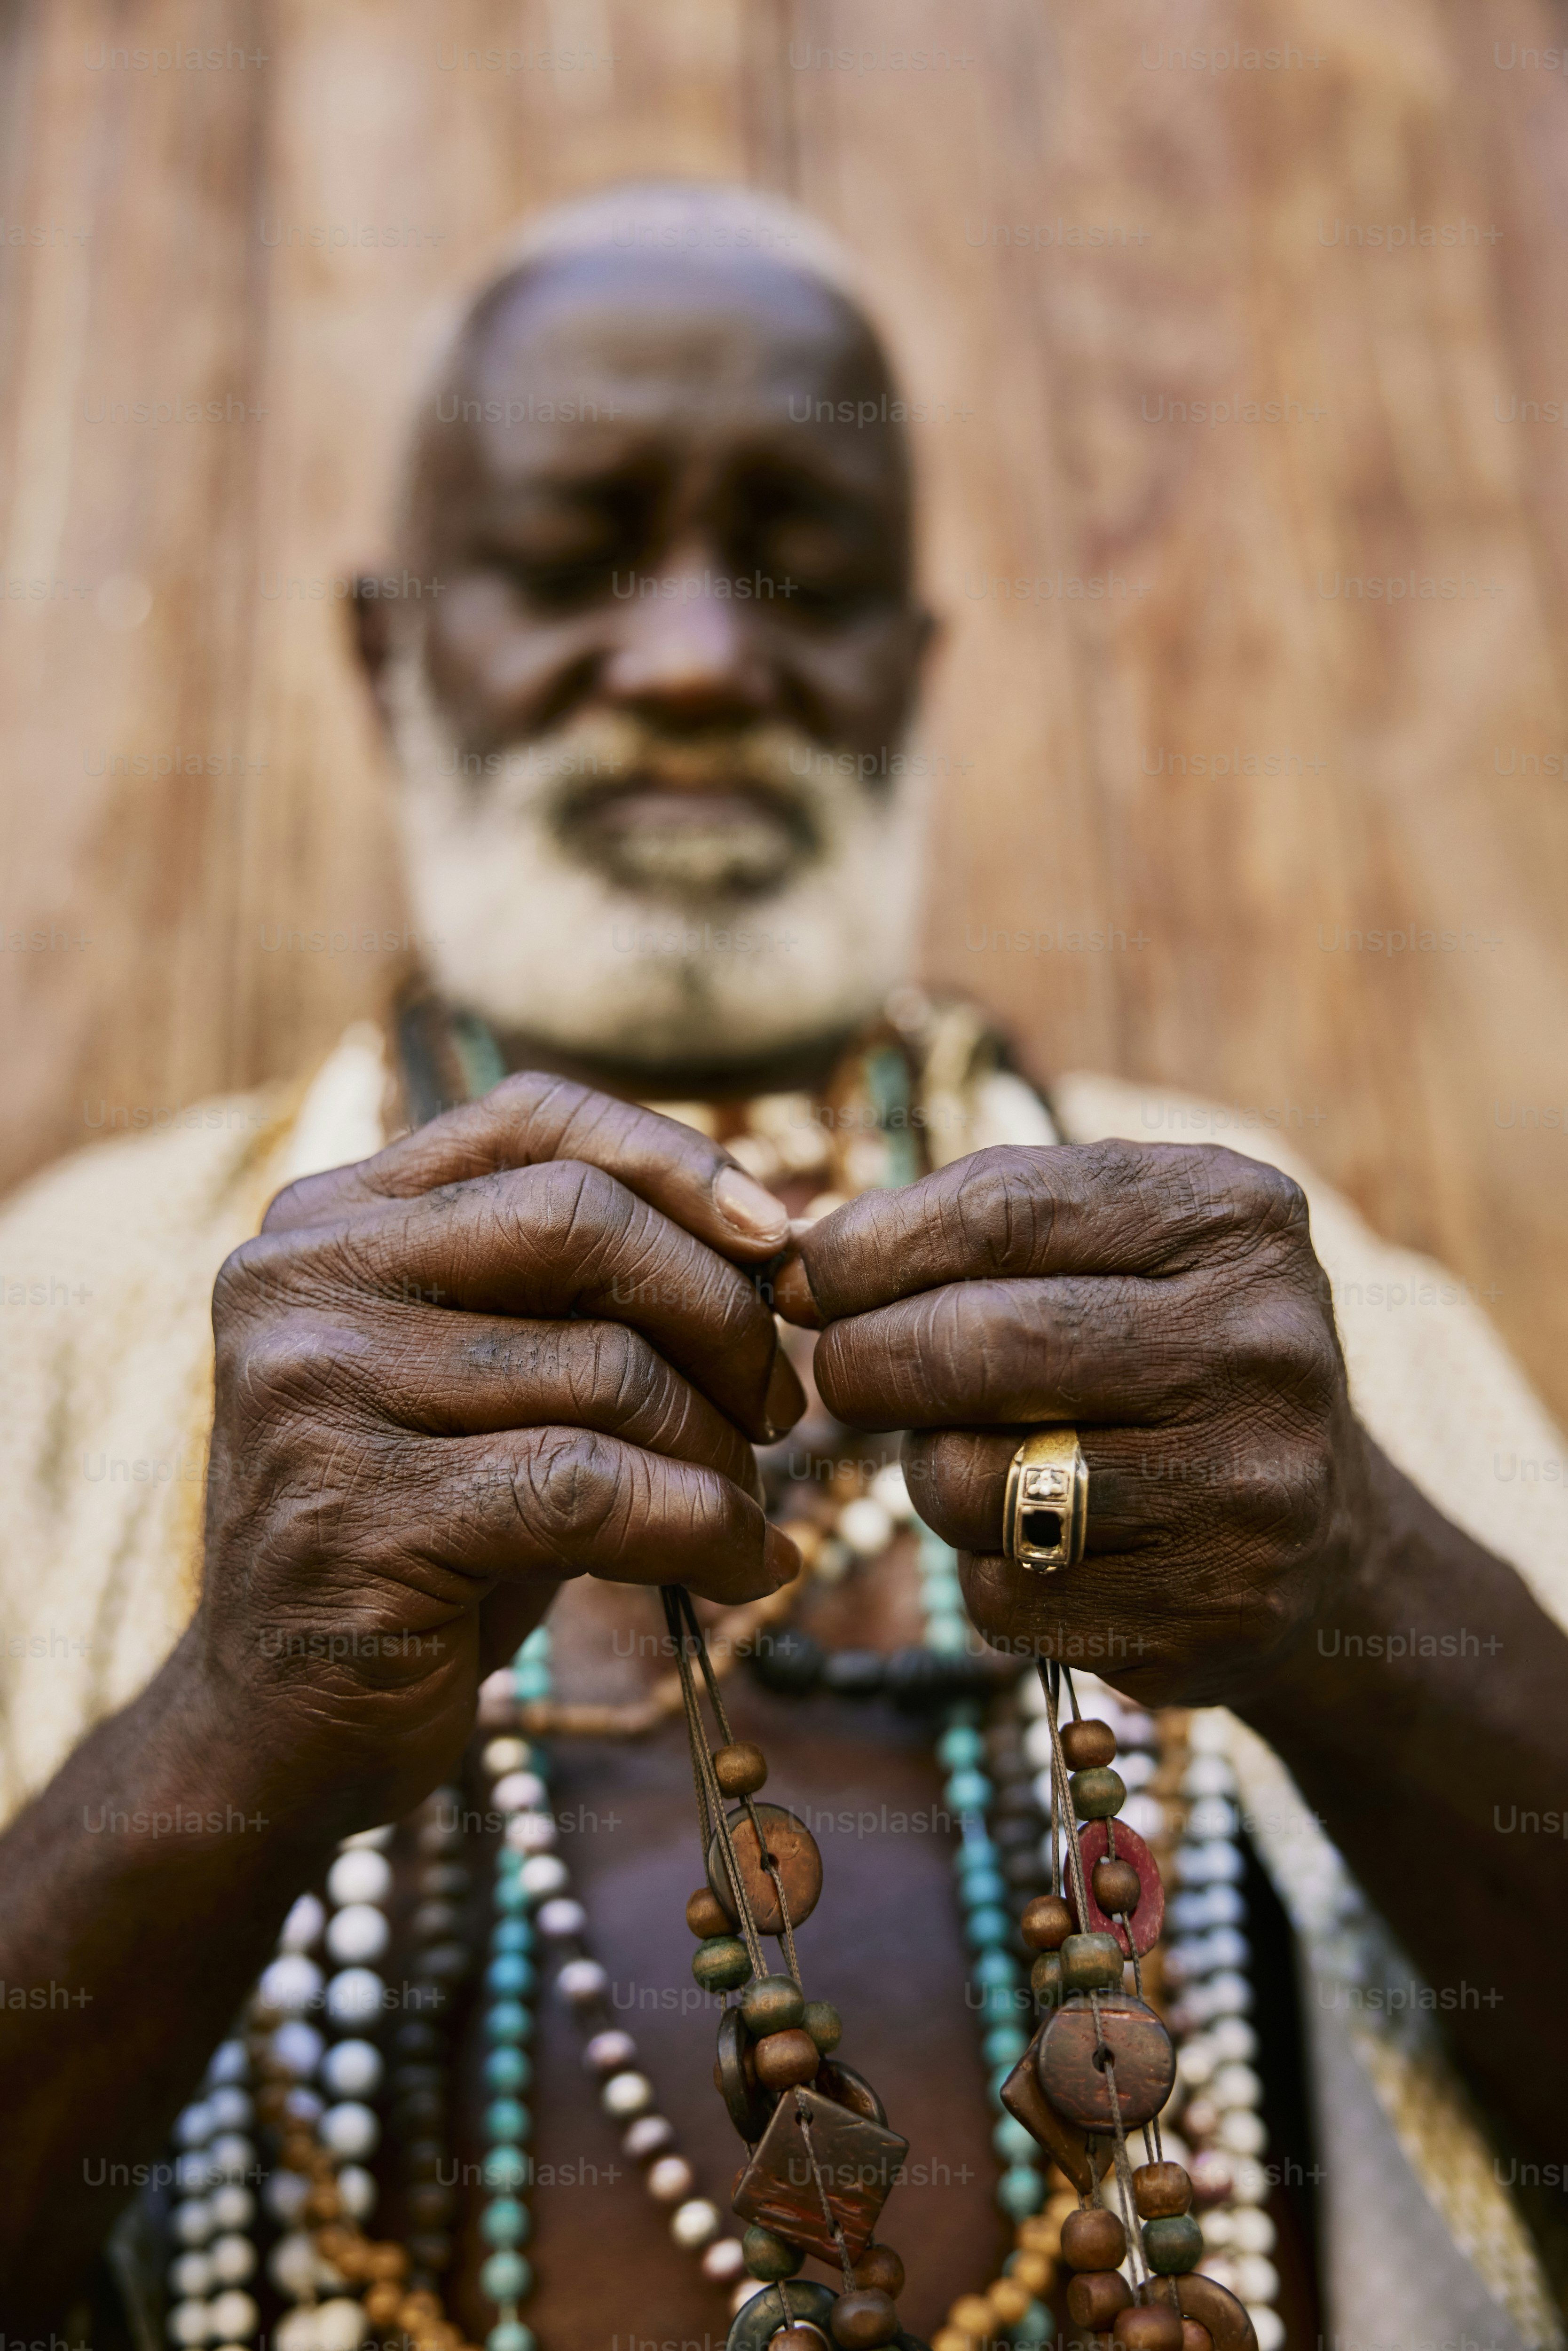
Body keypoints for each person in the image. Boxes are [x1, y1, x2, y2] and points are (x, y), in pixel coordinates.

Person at [0, 182, 1564, 2351]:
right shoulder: (69, 1320)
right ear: (391, 651)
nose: (694, 664)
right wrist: (226, 1736)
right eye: (570, 561)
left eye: (804, 573)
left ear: (912, 670)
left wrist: (1367, 1601)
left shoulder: (1291, 1305)